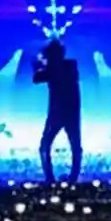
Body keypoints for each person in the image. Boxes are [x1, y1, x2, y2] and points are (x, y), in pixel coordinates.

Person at [32, 40, 82, 183]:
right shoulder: (71, 66)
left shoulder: (57, 68)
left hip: (58, 112)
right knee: (75, 146)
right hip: (71, 112)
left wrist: (38, 64)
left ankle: (50, 178)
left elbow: (36, 78)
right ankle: (72, 178)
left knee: (45, 145)